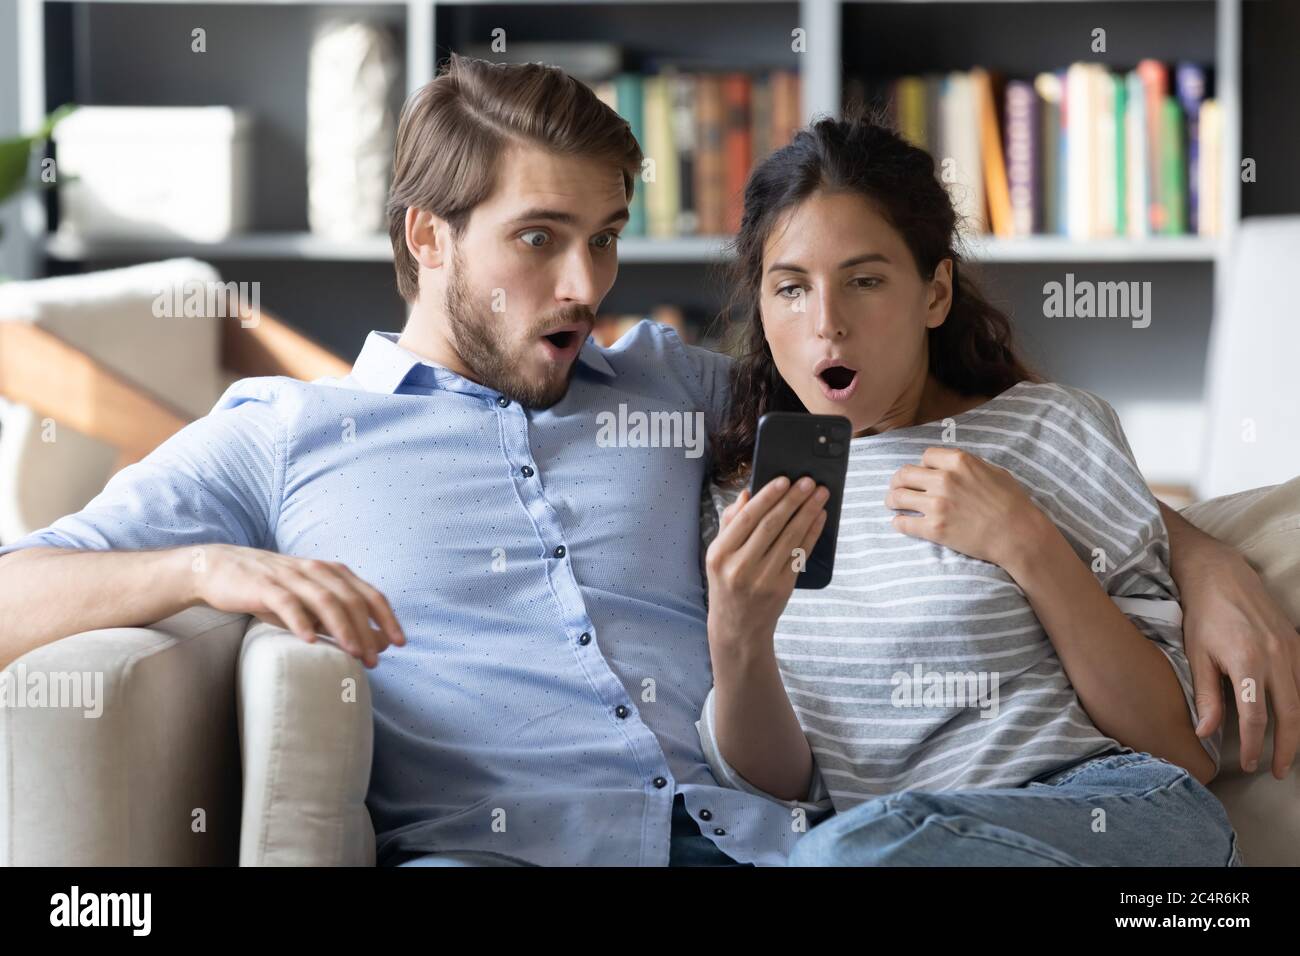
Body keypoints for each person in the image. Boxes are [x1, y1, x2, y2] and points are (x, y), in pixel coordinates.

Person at [0, 59, 1292, 867]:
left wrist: (1198, 548)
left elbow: (927, 408)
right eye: (541, 239)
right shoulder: (286, 438)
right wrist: (205, 565)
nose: (586, 286)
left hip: (767, 843)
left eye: (607, 239)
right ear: (427, 237)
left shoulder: (683, 389)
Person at [698, 112, 1252, 865]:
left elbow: (1180, 748)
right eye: (791, 288)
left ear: (935, 293)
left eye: (864, 281)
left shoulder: (1052, 429)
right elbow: (785, 787)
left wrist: (1028, 544)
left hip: (1110, 808)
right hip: (885, 843)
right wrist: (738, 636)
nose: (826, 323)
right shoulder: (743, 502)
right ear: (762, 310)